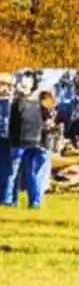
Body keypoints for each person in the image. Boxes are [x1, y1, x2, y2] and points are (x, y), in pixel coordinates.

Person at [6, 75, 44, 208]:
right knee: (31, 173)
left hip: (19, 141)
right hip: (34, 141)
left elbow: (12, 124)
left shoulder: (18, 104)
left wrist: (11, 138)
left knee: (13, 173)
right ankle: (35, 201)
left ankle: (10, 199)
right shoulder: (38, 104)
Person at [0, 74, 12, 206]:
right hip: (6, 137)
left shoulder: (11, 103)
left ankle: (5, 197)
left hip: (7, 138)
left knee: (7, 169)